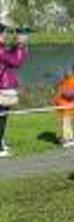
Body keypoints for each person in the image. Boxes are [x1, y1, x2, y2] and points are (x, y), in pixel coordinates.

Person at [0, 25, 28, 158]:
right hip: (2, 88)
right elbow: (15, 62)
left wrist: (19, 45)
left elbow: (12, 57)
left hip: (5, 87)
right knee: (1, 117)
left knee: (3, 117)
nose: (5, 36)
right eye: (3, 33)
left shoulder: (2, 49)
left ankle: (1, 142)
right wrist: (20, 45)